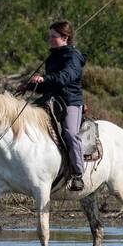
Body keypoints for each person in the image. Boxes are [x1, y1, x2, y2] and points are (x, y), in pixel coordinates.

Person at [18, 20, 88, 191]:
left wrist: (44, 78)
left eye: (53, 36)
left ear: (65, 37)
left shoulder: (74, 56)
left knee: (70, 133)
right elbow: (50, 84)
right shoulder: (52, 57)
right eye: (49, 36)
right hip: (50, 99)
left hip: (70, 101)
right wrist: (29, 86)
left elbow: (65, 77)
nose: (50, 39)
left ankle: (78, 174)